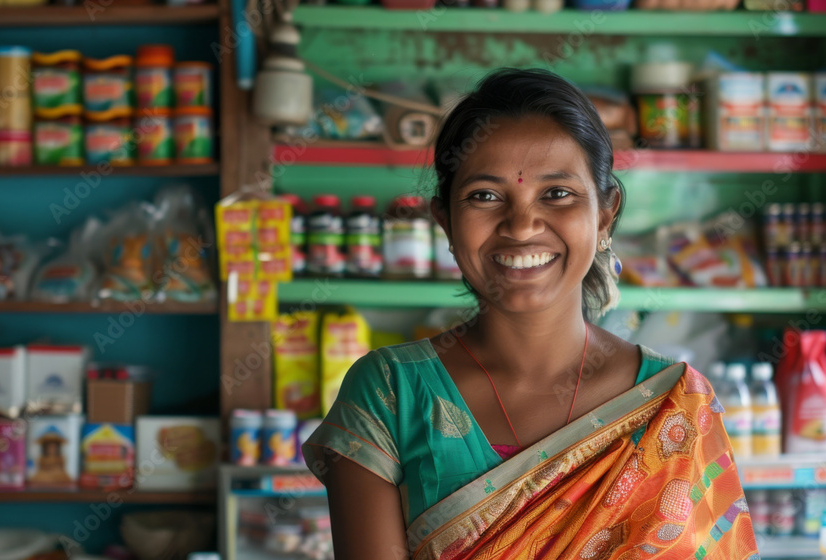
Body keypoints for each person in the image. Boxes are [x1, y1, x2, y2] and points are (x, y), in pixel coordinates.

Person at [302, 68, 758, 560]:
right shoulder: (390, 392)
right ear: (445, 222)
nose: (521, 225)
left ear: (606, 214)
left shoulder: (675, 404)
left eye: (557, 193)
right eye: (485, 196)